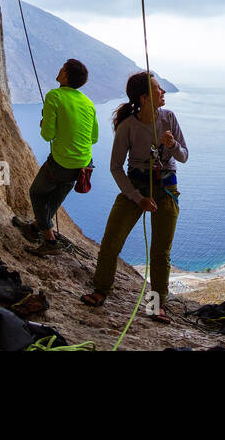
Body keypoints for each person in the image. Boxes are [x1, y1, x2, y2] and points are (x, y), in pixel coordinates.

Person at [81, 71, 188, 323]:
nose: (163, 92)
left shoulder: (169, 118)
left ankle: (156, 305)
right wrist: (135, 196)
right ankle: (100, 291)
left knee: (160, 252)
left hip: (165, 190)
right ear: (144, 97)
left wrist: (172, 145)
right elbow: (116, 167)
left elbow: (183, 156)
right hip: (135, 189)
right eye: (158, 89)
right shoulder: (128, 126)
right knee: (110, 243)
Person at [27, 58, 98, 256]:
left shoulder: (54, 96)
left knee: (37, 193)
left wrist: (46, 125)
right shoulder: (88, 102)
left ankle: (49, 241)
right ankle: (34, 227)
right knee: (54, 198)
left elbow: (47, 135)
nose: (59, 69)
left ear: (65, 74)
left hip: (61, 163)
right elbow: (94, 137)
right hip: (84, 164)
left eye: (62, 68)